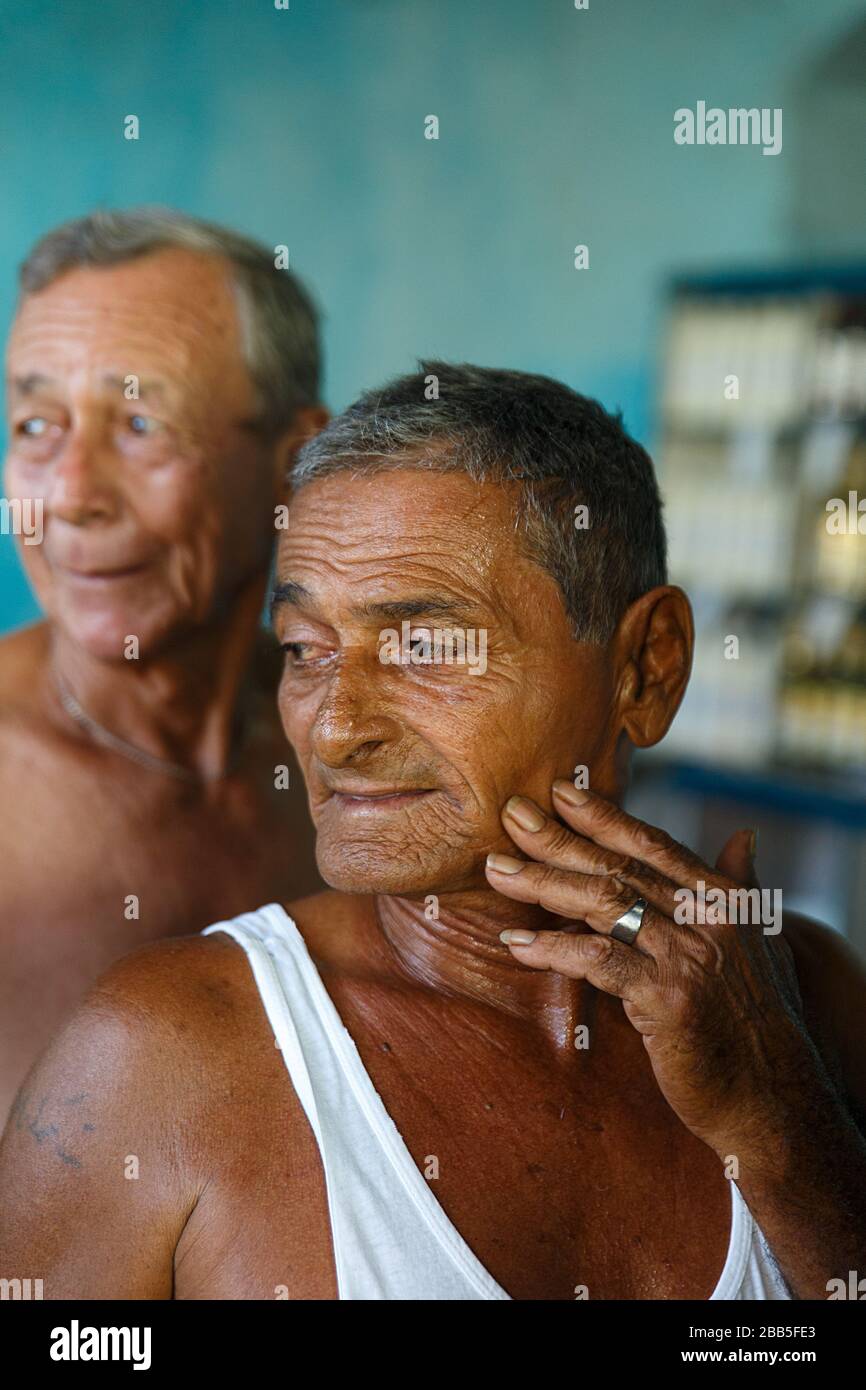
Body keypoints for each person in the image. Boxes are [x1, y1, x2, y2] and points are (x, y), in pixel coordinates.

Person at [2, 362, 865, 1300]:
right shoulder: (161, 1059)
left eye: (427, 647)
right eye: (303, 650)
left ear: (645, 670)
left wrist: (782, 1135)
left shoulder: (804, 1009)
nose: (333, 729)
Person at [0, 208, 327, 1123]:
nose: (68, 494)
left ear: (293, 464)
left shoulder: (364, 755)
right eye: (34, 425)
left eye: (140, 422)